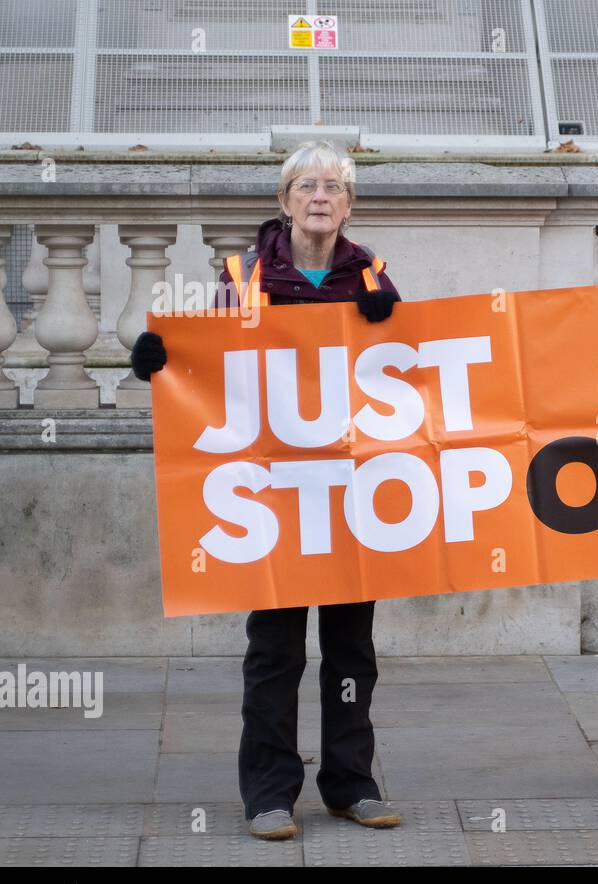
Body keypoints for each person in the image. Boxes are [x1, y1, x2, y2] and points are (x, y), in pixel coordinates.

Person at [130, 141, 403, 840]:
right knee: (275, 650)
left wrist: (395, 323)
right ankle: (270, 792)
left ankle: (351, 783)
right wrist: (156, 361)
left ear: (349, 205)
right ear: (283, 202)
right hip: (269, 494)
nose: (321, 196)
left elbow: (416, 376)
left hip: (348, 494)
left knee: (351, 650)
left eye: (335, 187)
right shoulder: (239, 277)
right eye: (307, 185)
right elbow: (202, 364)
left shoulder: (373, 277)